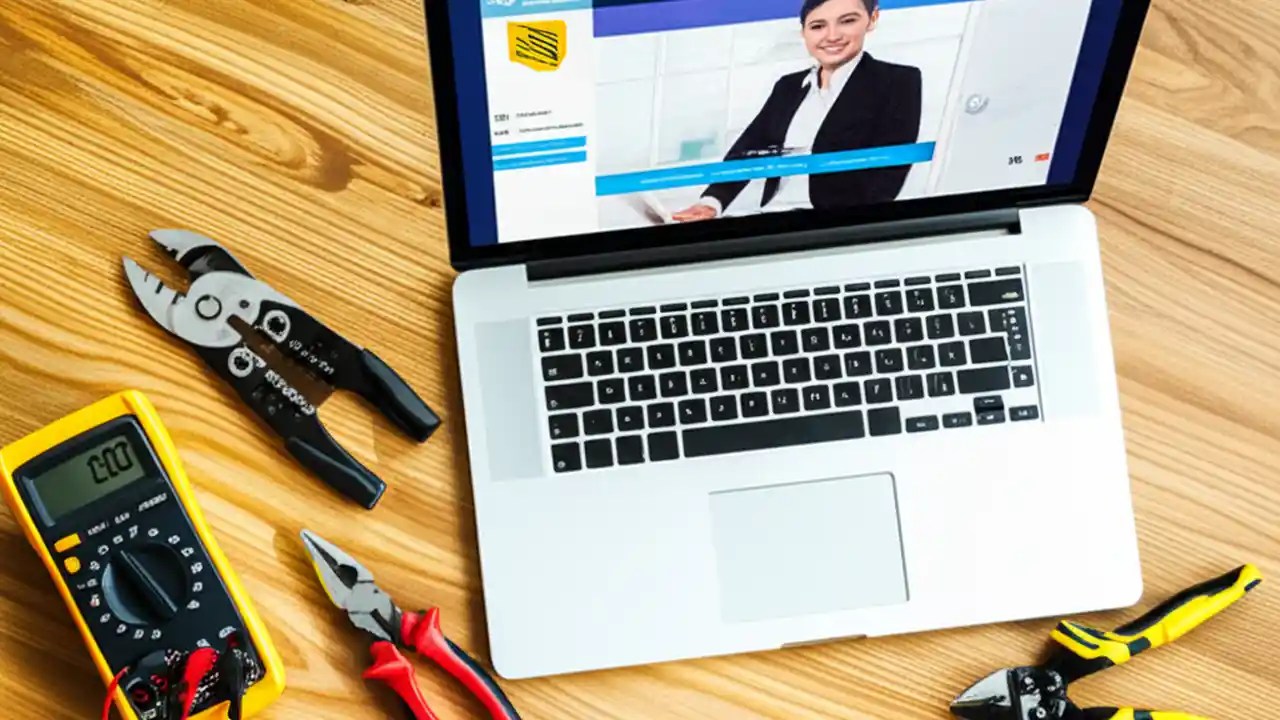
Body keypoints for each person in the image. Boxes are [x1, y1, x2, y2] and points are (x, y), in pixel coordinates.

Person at [672, 0, 922, 222]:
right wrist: (711, 203)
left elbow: (890, 171)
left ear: (873, 19)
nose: (831, 36)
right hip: (772, 218)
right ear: (804, 32)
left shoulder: (898, 80)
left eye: (847, 21)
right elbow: (748, 149)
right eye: (817, 26)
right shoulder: (789, 86)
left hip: (839, 226)